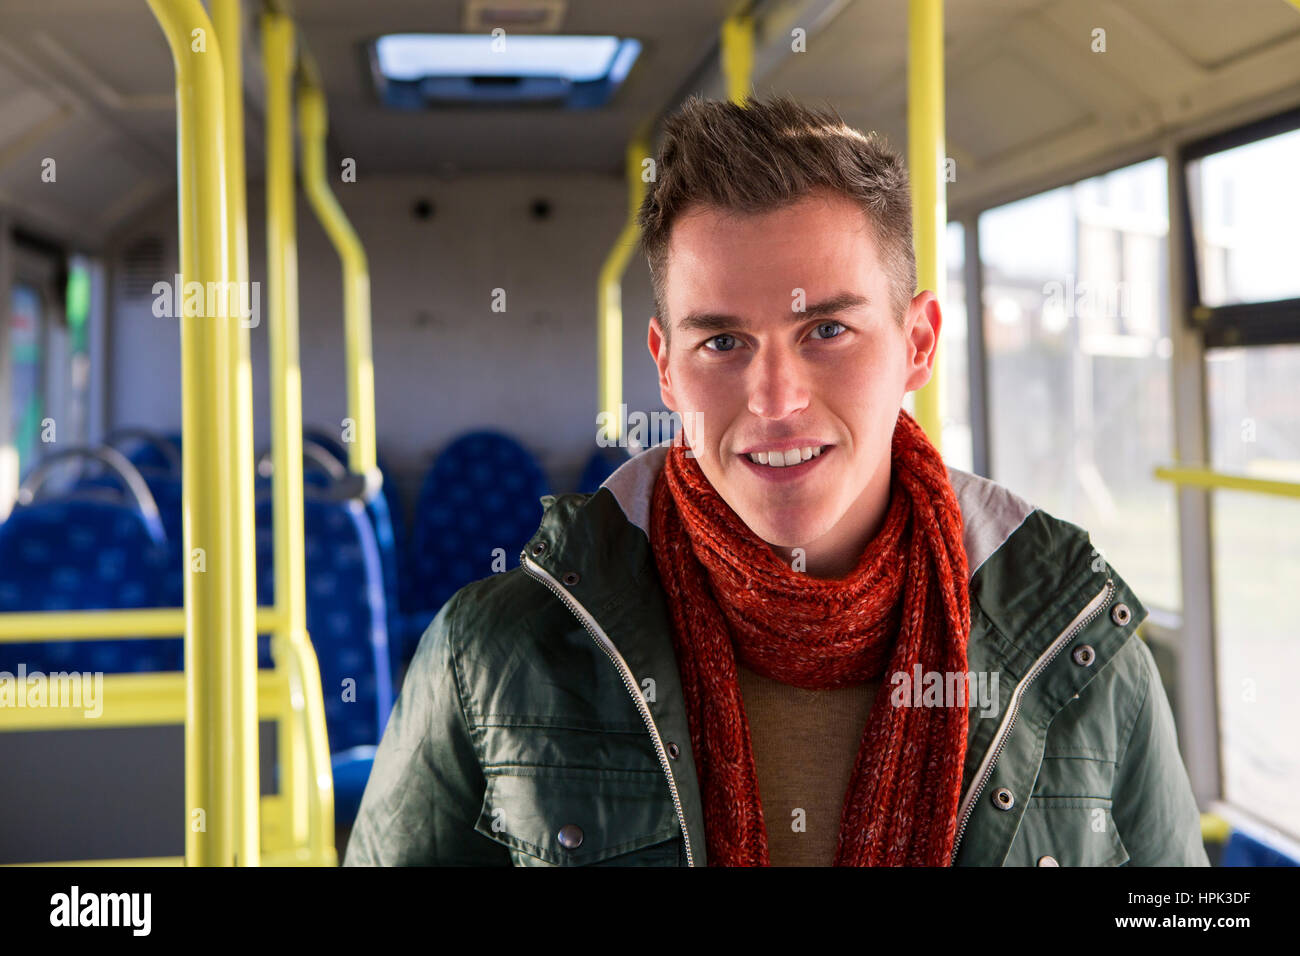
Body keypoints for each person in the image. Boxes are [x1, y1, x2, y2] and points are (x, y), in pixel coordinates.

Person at [344, 94, 1208, 867]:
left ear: (918, 345)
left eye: (826, 329)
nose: (776, 400)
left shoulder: (1084, 660)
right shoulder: (489, 655)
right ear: (667, 370)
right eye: (722, 342)